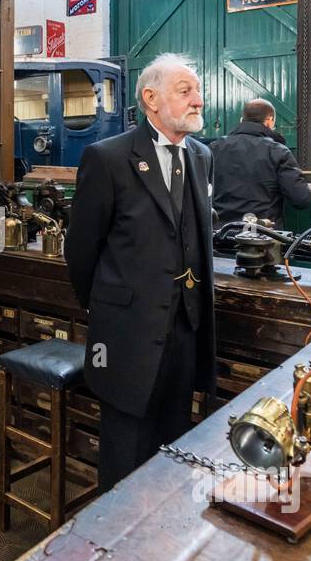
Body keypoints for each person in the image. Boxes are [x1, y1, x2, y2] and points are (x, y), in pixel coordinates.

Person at [64, 53, 216, 492]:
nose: (197, 100)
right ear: (151, 98)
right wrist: (110, 307)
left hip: (185, 330)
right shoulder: (108, 158)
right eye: (185, 91)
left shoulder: (202, 157)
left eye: (198, 91)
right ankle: (112, 551)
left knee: (174, 449)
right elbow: (81, 250)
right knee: (126, 456)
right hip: (126, 336)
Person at [209, 99, 311, 225]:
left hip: (220, 234)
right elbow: (300, 199)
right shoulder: (278, 151)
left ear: (242, 120)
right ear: (269, 121)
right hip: (263, 236)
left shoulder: (214, 148)